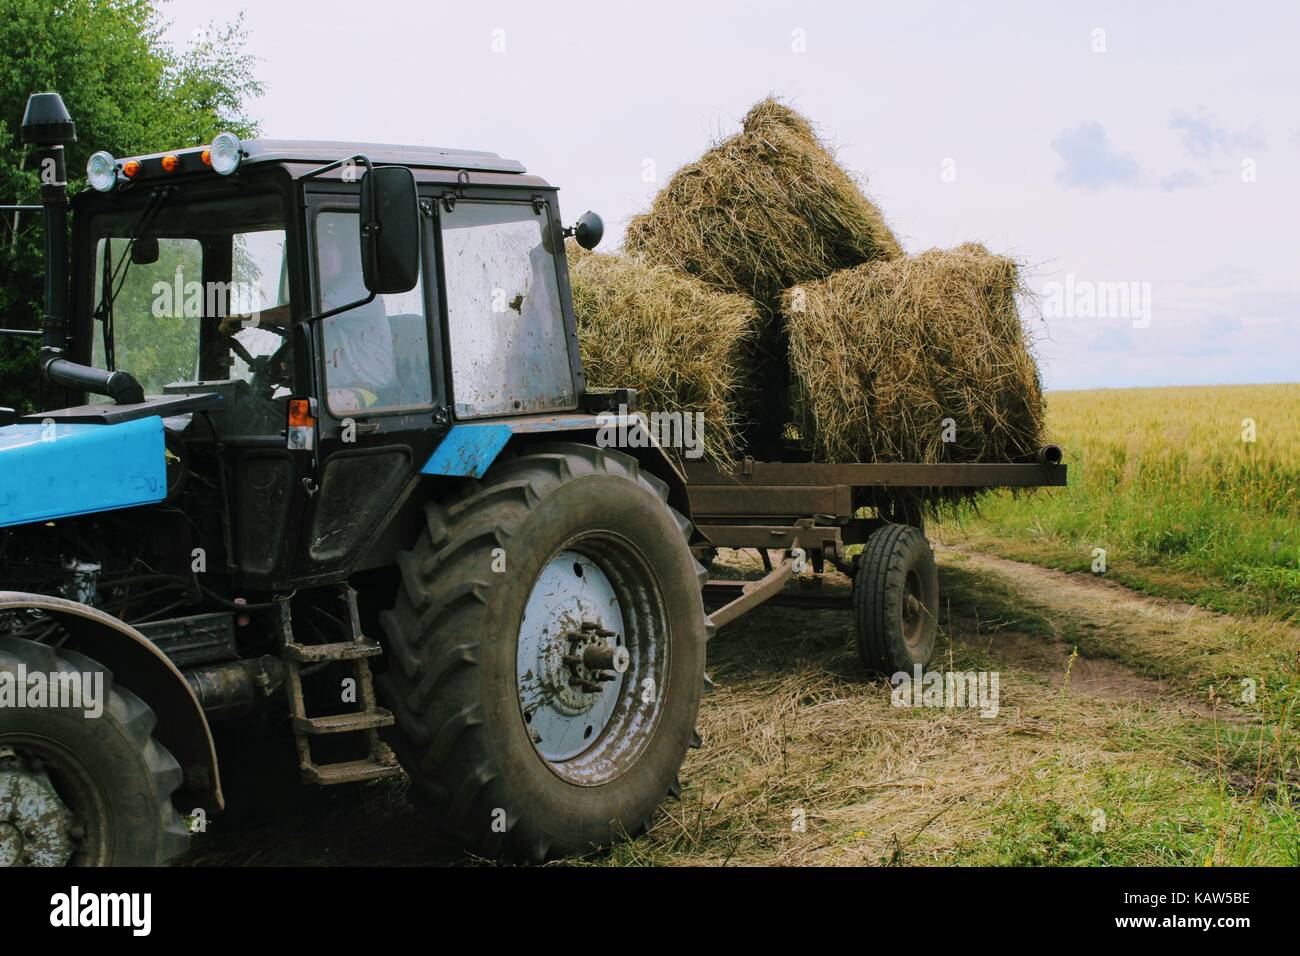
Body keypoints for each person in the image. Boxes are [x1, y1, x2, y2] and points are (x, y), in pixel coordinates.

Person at [221, 213, 396, 410]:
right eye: (315, 250)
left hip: (366, 394)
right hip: (324, 391)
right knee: (259, 414)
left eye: (327, 249)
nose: (319, 257)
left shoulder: (357, 287)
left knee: (313, 411)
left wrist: (247, 319)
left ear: (342, 255)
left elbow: (303, 315)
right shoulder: (317, 293)